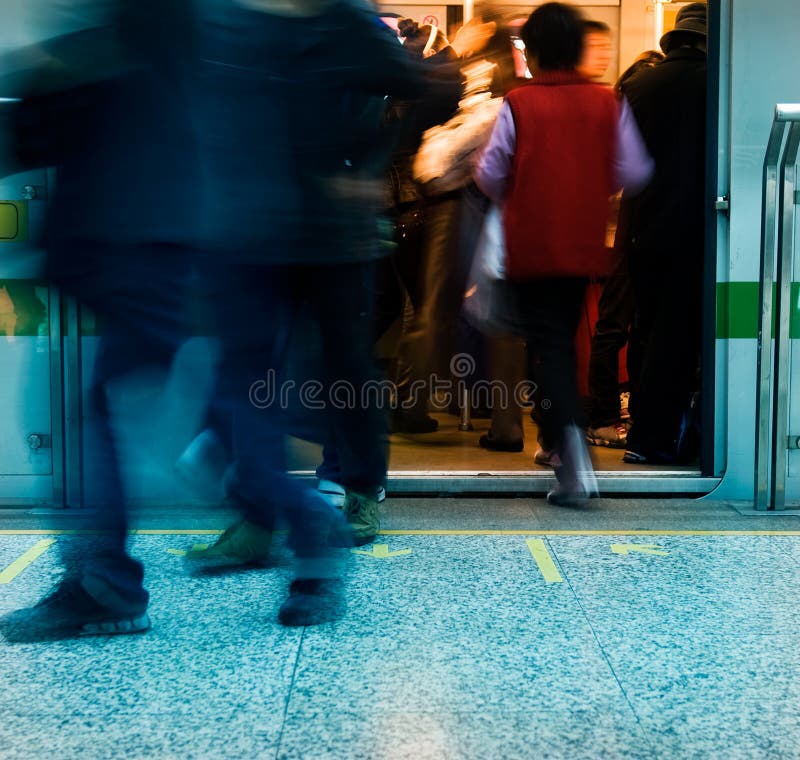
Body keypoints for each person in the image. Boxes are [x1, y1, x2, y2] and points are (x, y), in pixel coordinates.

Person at [0, 0, 201, 640]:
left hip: (123, 245)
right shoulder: (177, 30)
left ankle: (103, 582)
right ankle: (105, 577)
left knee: (84, 423)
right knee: (102, 411)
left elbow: (44, 122)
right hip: (156, 241)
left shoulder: (121, 30)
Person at [474, 2, 653, 506]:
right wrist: (592, 183)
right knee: (559, 344)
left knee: (545, 349)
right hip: (581, 245)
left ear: (531, 51)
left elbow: (489, 173)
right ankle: (559, 447)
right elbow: (635, 170)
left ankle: (571, 458)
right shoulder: (605, 102)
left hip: (530, 245)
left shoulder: (519, 103)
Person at [618, 3, 707, 464]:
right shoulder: (718, 86)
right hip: (700, 230)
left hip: (644, 229)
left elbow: (621, 163)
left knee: (646, 330)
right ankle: (657, 440)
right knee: (681, 337)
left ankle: (643, 431)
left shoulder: (639, 85)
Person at [585, 50, 664, 450]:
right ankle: (602, 417)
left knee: (628, 328)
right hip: (618, 237)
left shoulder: (623, 120)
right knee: (616, 327)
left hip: (627, 235)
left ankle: (619, 411)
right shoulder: (619, 123)